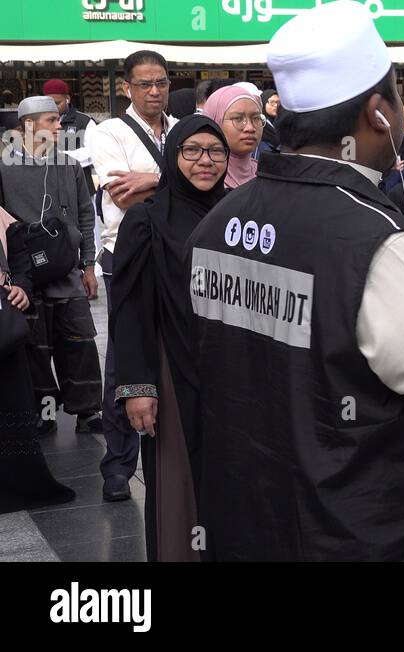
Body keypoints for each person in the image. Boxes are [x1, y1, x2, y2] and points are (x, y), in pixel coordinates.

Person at [186, 0, 404, 560]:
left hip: (249, 524)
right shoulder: (383, 246)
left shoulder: (218, 222)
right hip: (369, 533)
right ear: (378, 113)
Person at [110, 115, 229, 561]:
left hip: (234, 375)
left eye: (215, 151)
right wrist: (139, 388)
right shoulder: (146, 220)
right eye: (192, 150)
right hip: (173, 368)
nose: (205, 161)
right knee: (181, 479)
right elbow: (130, 311)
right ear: (172, 156)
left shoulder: (237, 212)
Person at [90, 49, 179, 502]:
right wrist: (170, 179)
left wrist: (151, 180)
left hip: (177, 253)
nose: (154, 91)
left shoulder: (182, 128)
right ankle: (118, 466)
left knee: (173, 349)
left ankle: (171, 452)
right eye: (144, 84)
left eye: (161, 82)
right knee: (125, 353)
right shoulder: (108, 131)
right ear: (126, 87)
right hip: (123, 254)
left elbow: (205, 179)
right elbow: (123, 194)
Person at [0, 97, 103, 440]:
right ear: (27, 126)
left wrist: (89, 264)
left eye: (59, 120)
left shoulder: (69, 165)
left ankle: (88, 411)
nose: (60, 127)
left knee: (80, 341)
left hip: (67, 273)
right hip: (24, 275)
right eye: (51, 121)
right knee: (35, 350)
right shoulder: (3, 166)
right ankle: (43, 415)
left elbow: (87, 216)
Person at [0, 208, 76, 514]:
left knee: (9, 401)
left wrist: (21, 288)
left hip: (2, 326)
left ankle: (16, 484)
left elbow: (21, 261)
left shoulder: (3, 219)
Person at [203, 85, 263, 190]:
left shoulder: (263, 173)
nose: (250, 127)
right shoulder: (203, 176)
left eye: (256, 118)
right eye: (238, 119)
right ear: (215, 121)